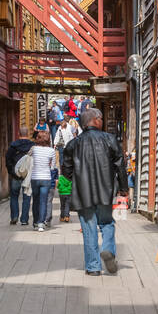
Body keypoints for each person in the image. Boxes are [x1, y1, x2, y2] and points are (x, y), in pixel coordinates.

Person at [62, 106, 125, 274]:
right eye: (102, 119)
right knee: (107, 223)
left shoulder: (73, 144)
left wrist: (75, 177)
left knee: (89, 229)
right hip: (105, 191)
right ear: (96, 120)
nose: (102, 122)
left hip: (83, 194)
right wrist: (124, 188)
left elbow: (66, 171)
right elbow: (120, 166)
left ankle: (93, 267)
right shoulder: (110, 139)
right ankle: (108, 249)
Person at [29, 128, 56, 232]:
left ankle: (35, 222)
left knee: (35, 200)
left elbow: (28, 158)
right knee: (43, 201)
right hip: (46, 178)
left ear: (38, 139)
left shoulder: (34, 149)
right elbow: (52, 167)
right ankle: (41, 223)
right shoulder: (51, 151)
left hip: (35, 178)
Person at [5, 131, 34, 225]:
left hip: (16, 174)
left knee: (14, 196)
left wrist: (11, 172)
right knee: (27, 196)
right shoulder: (32, 146)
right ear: (28, 134)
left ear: (19, 134)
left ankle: (14, 216)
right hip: (28, 175)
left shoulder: (13, 146)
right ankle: (24, 219)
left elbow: (8, 159)